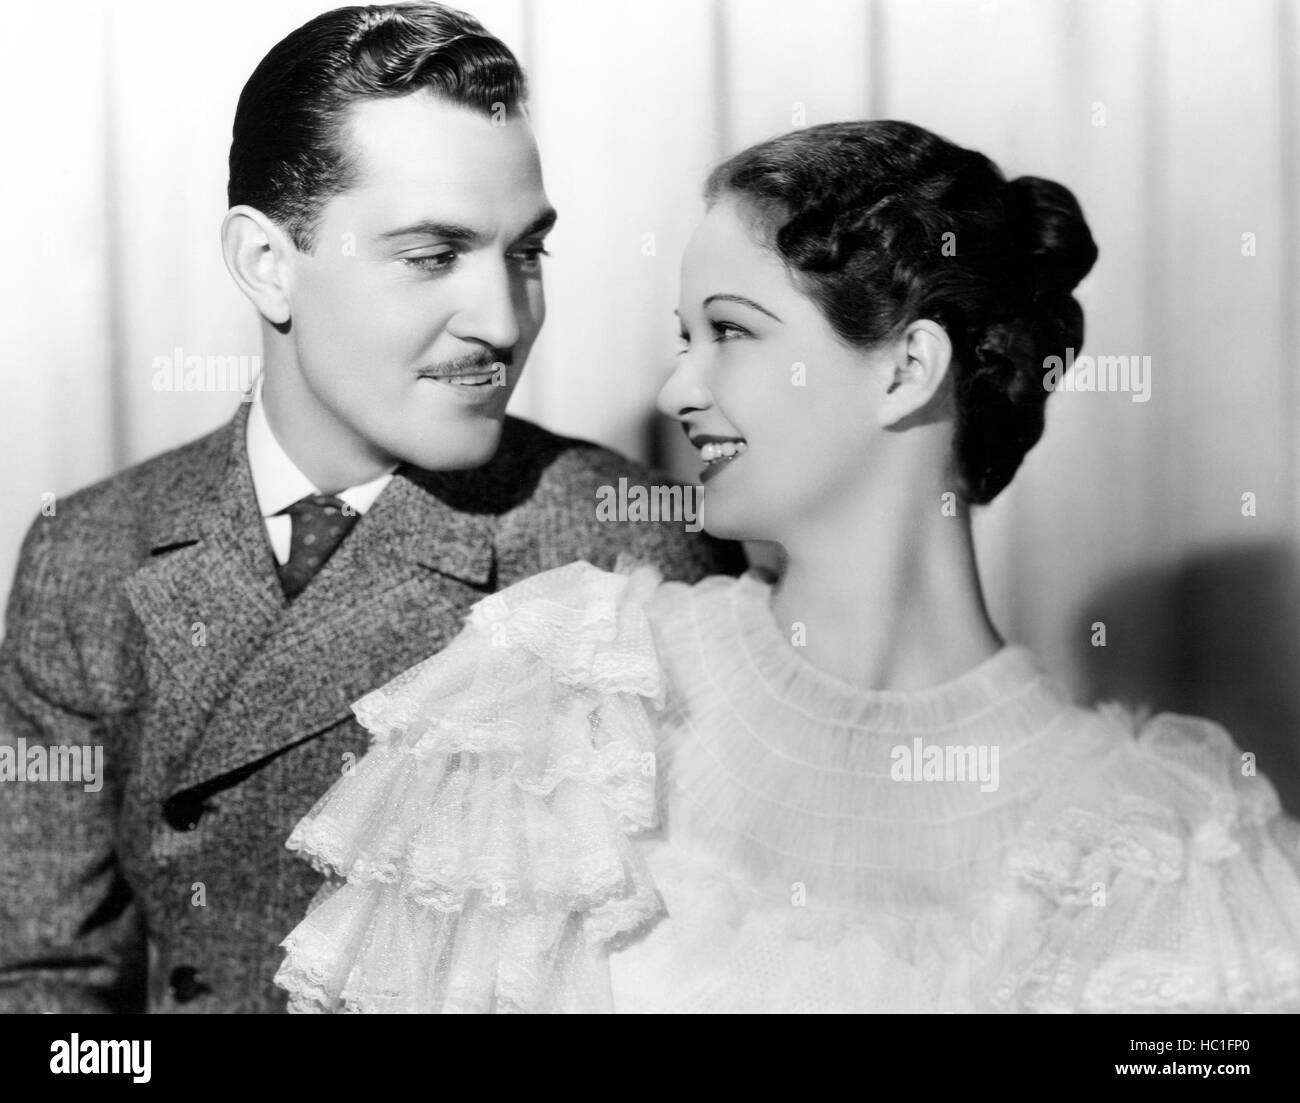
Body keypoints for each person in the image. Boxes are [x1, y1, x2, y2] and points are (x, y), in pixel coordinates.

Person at [275, 119, 1300, 1013]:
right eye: (687, 336)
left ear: (905, 369)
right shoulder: (572, 701)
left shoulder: (1154, 846)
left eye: (731, 331)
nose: (679, 386)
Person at [0, 3, 740, 1014]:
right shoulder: (83, 553)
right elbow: (43, 989)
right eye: (432, 255)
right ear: (268, 264)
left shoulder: (619, 544)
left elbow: (692, 971)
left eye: (526, 253)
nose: (500, 321)